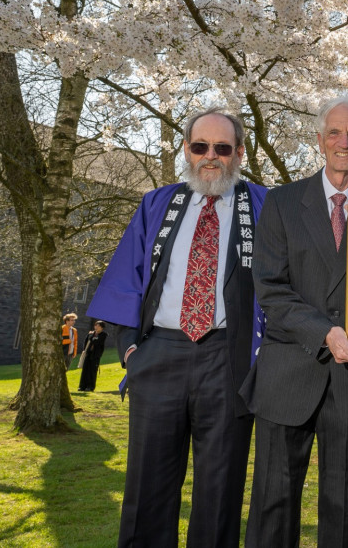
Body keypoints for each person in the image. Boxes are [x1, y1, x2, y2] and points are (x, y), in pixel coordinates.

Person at [87, 107, 268, 547]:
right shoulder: (157, 202)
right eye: (200, 146)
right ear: (186, 150)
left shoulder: (265, 205)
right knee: (147, 487)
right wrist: (131, 347)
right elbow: (127, 276)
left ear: (239, 153)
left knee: (220, 490)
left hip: (229, 358)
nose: (211, 156)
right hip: (160, 354)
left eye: (222, 148)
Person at [241, 95, 348, 547]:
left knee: (346, 510)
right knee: (272, 505)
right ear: (319, 141)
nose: (343, 142)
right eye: (334, 133)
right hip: (287, 374)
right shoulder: (283, 202)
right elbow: (270, 286)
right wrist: (323, 331)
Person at [77, 320, 108, 392]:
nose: (96, 327)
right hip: (88, 354)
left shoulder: (103, 335)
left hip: (95, 355)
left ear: (102, 328)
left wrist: (91, 337)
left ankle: (90, 387)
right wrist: (85, 350)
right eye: (95, 325)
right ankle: (82, 386)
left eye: (98, 326)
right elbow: (85, 342)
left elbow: (97, 342)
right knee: (85, 370)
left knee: (92, 371)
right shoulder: (91, 334)